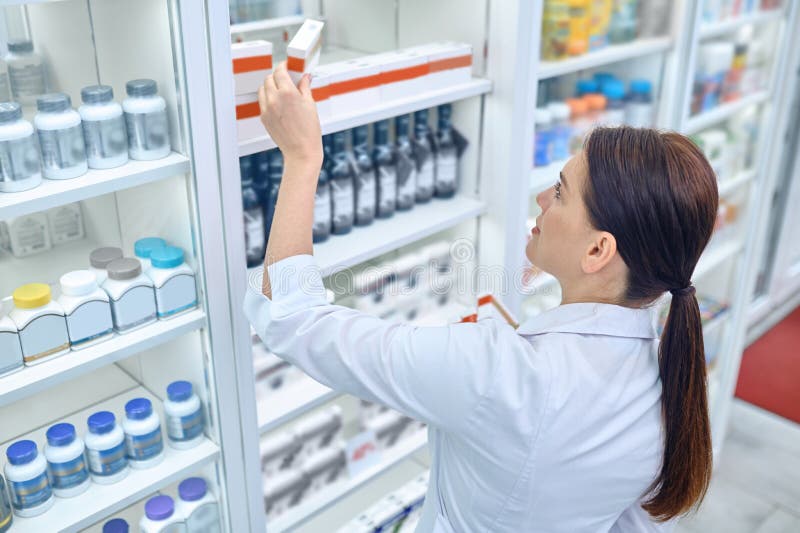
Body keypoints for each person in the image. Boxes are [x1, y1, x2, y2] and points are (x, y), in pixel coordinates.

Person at [245, 62, 718, 532]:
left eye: (560, 192)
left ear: (598, 250)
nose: (541, 200)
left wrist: (303, 157)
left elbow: (293, 319)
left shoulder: (496, 371)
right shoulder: (665, 379)